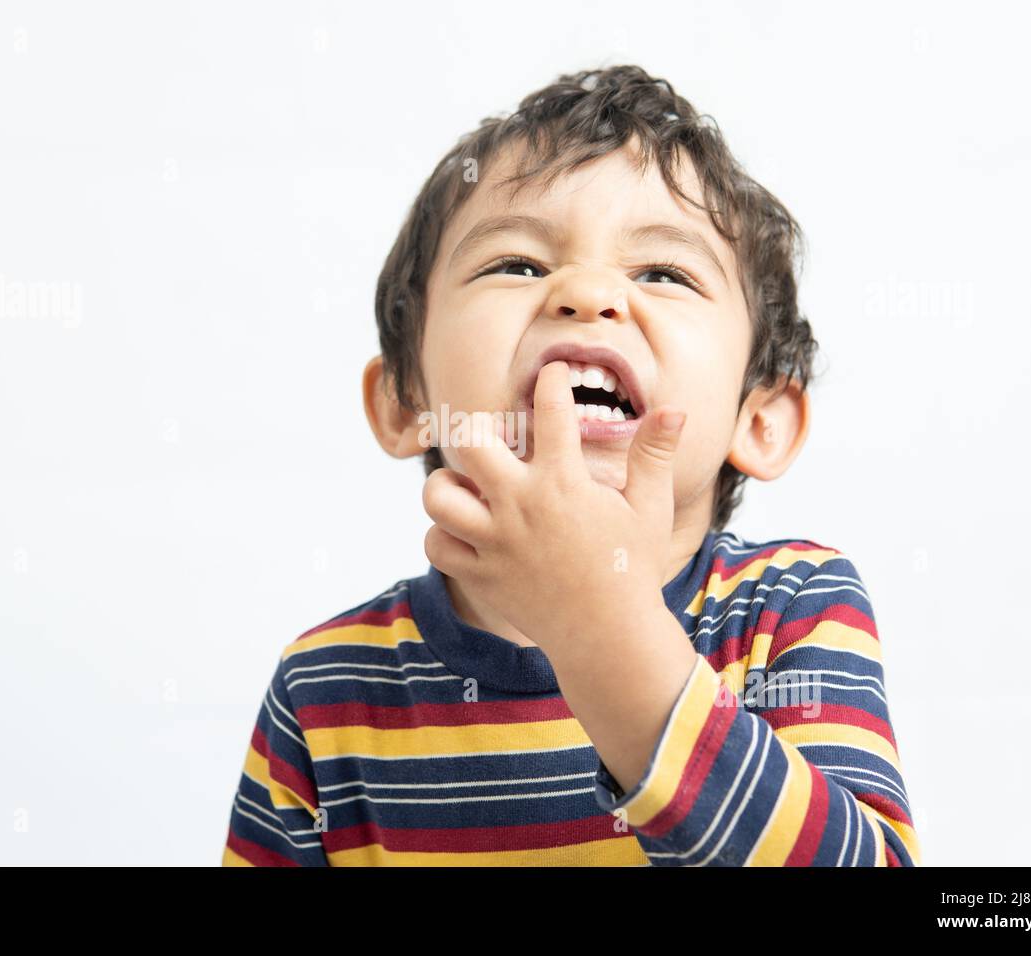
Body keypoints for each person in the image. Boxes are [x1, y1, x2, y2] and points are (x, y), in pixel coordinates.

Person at [221, 64, 919, 866]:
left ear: (757, 419)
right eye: (518, 264)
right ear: (407, 399)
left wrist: (604, 631)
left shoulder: (789, 612)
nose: (587, 294)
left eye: (663, 273)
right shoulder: (327, 692)